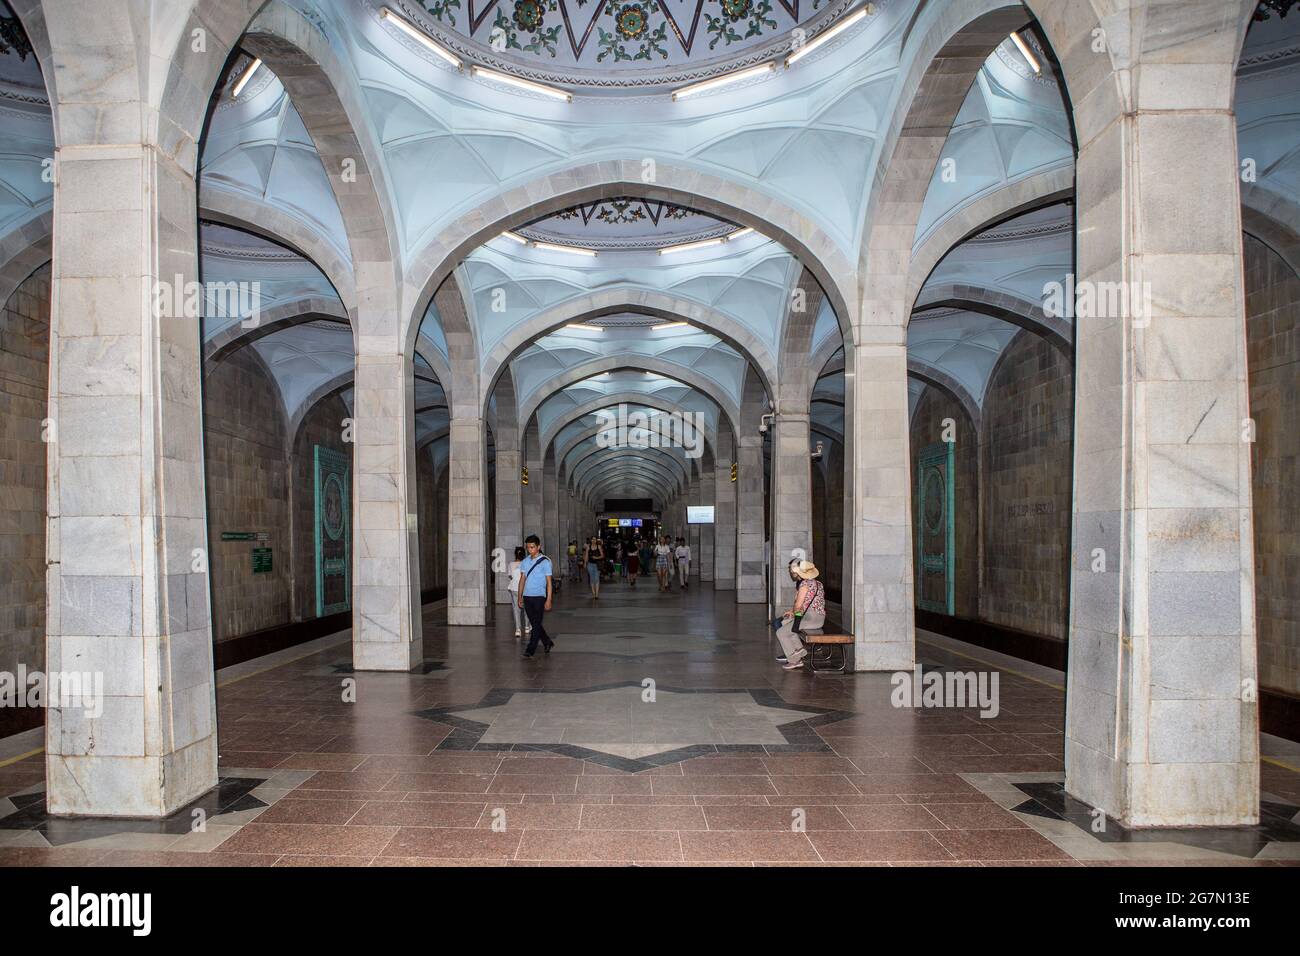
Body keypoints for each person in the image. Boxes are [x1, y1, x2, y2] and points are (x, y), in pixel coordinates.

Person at [773, 559, 826, 671]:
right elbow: (808, 603)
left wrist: (795, 618)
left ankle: (794, 660)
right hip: (816, 617)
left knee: (781, 632)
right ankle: (799, 650)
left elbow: (798, 606)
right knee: (784, 623)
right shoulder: (818, 583)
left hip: (811, 618)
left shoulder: (804, 584)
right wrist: (792, 614)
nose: (792, 573)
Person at [517, 534, 555, 658]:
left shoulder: (545, 561)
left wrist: (549, 599)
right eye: (528, 547)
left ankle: (530, 649)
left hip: (539, 596)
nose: (530, 550)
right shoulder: (525, 561)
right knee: (535, 623)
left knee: (536, 623)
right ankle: (547, 642)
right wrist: (519, 596)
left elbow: (549, 582)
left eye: (532, 547)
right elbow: (522, 579)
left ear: (538, 547)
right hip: (527, 596)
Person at [506, 545, 531, 640]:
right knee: (526, 608)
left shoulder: (511, 564)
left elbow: (510, 576)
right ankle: (527, 627)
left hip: (514, 588)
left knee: (516, 609)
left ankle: (517, 629)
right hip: (525, 588)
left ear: (515, 555)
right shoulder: (527, 563)